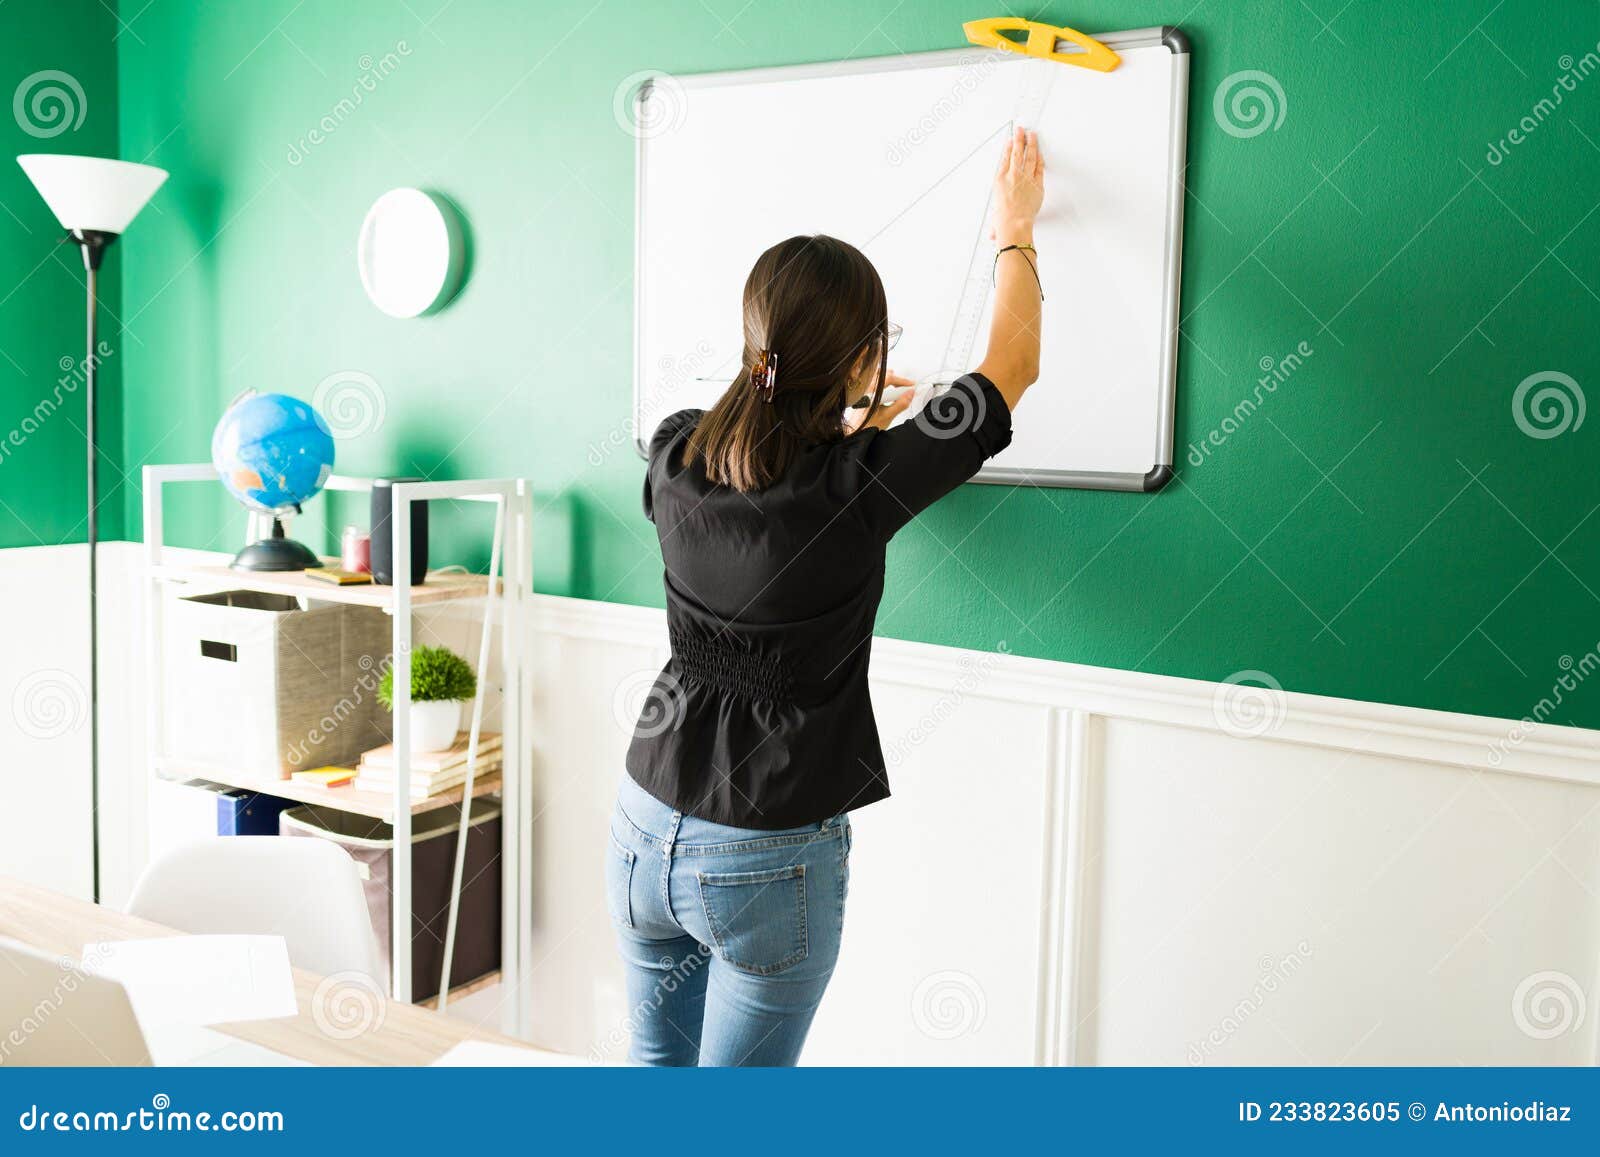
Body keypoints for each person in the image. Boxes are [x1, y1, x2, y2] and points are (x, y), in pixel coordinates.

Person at [606, 127, 1046, 1066]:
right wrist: (1016, 228)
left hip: (643, 819)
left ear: (752, 342)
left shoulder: (675, 452)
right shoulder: (859, 487)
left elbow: (752, 438)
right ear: (862, 360)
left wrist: (845, 418)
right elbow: (1010, 369)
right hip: (763, 850)